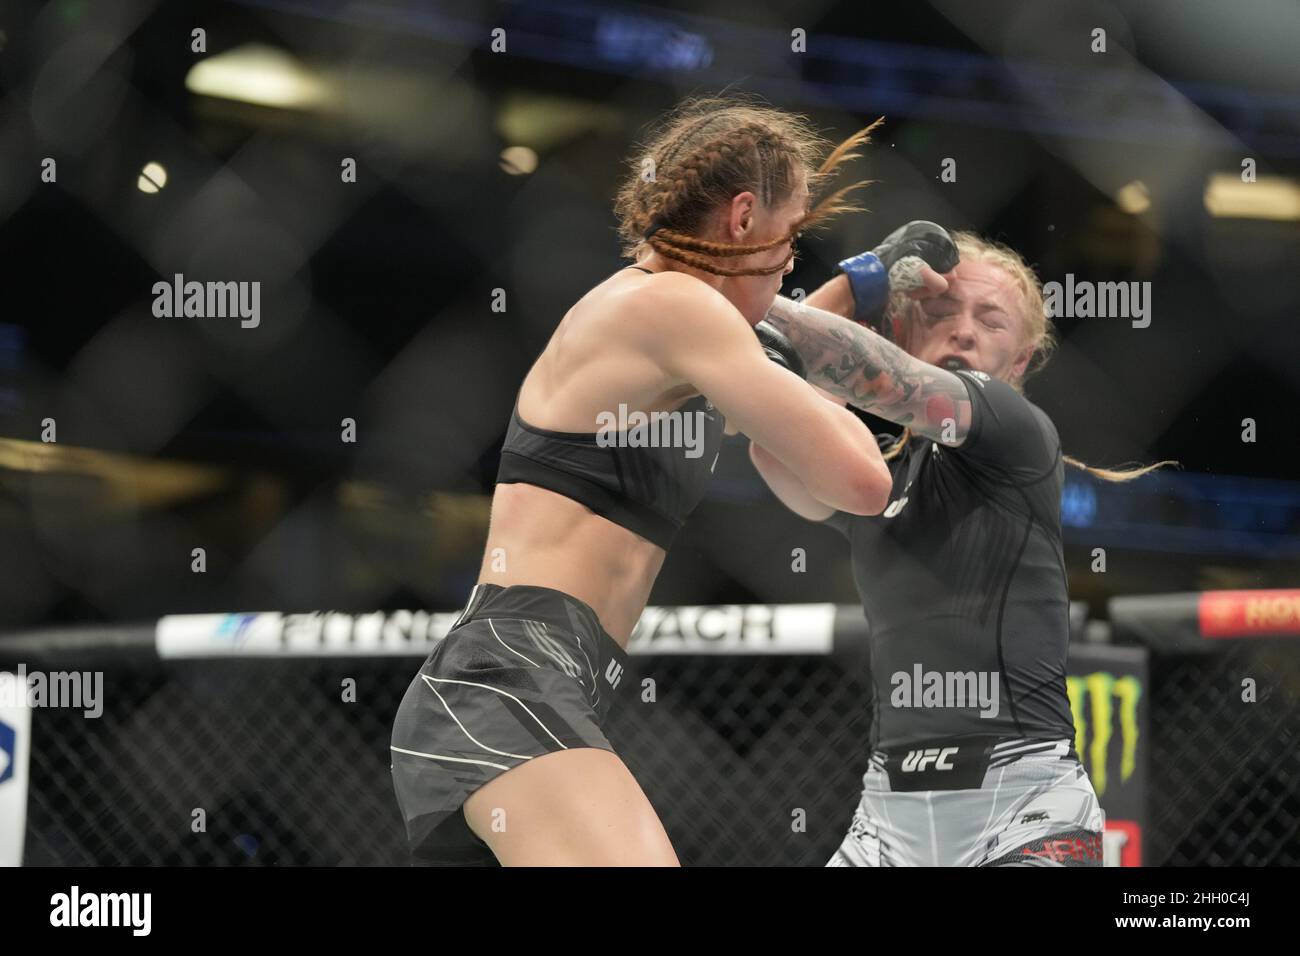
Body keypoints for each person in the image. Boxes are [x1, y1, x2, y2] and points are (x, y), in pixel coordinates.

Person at [390, 96, 896, 866]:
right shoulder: (673, 307)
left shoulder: (664, 327)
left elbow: (789, 438)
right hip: (510, 685)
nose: (792, 262)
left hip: (519, 689)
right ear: (742, 217)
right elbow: (861, 479)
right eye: (790, 238)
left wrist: (853, 297)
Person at [752, 227, 1171, 866]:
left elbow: (884, 383)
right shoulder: (876, 479)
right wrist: (862, 284)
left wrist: (730, 299)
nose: (965, 331)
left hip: (1020, 803)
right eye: (942, 313)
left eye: (990, 320)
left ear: (1021, 361)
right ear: (900, 332)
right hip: (888, 813)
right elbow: (775, 440)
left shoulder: (1018, 432)